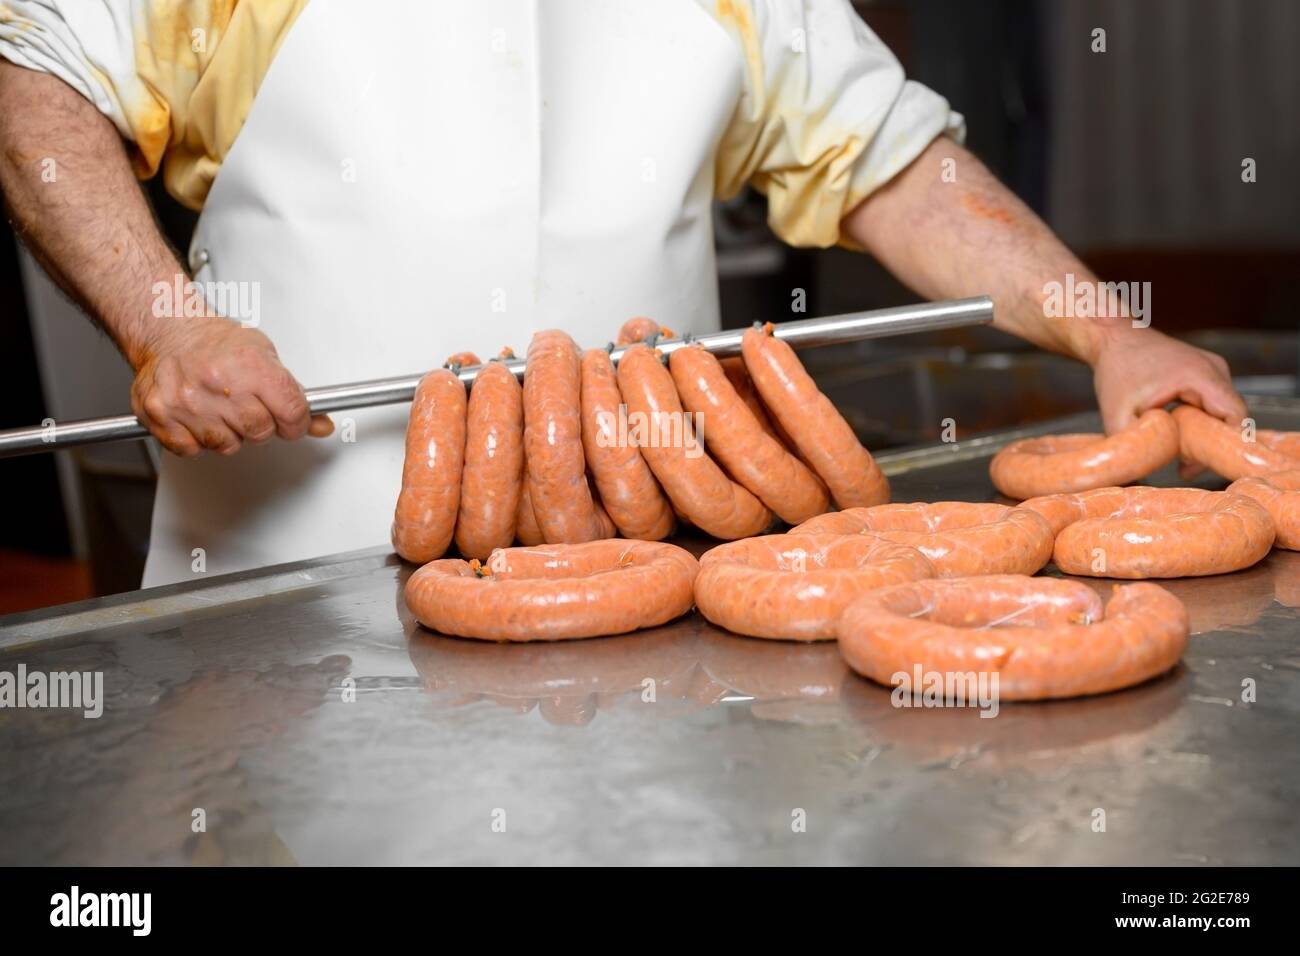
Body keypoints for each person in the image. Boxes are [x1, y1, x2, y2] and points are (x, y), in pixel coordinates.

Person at [0, 0, 1244, 586]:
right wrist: (164, 322)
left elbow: (895, 167)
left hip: (660, 587)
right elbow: (33, 77)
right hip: (284, 592)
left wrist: (1104, 330)